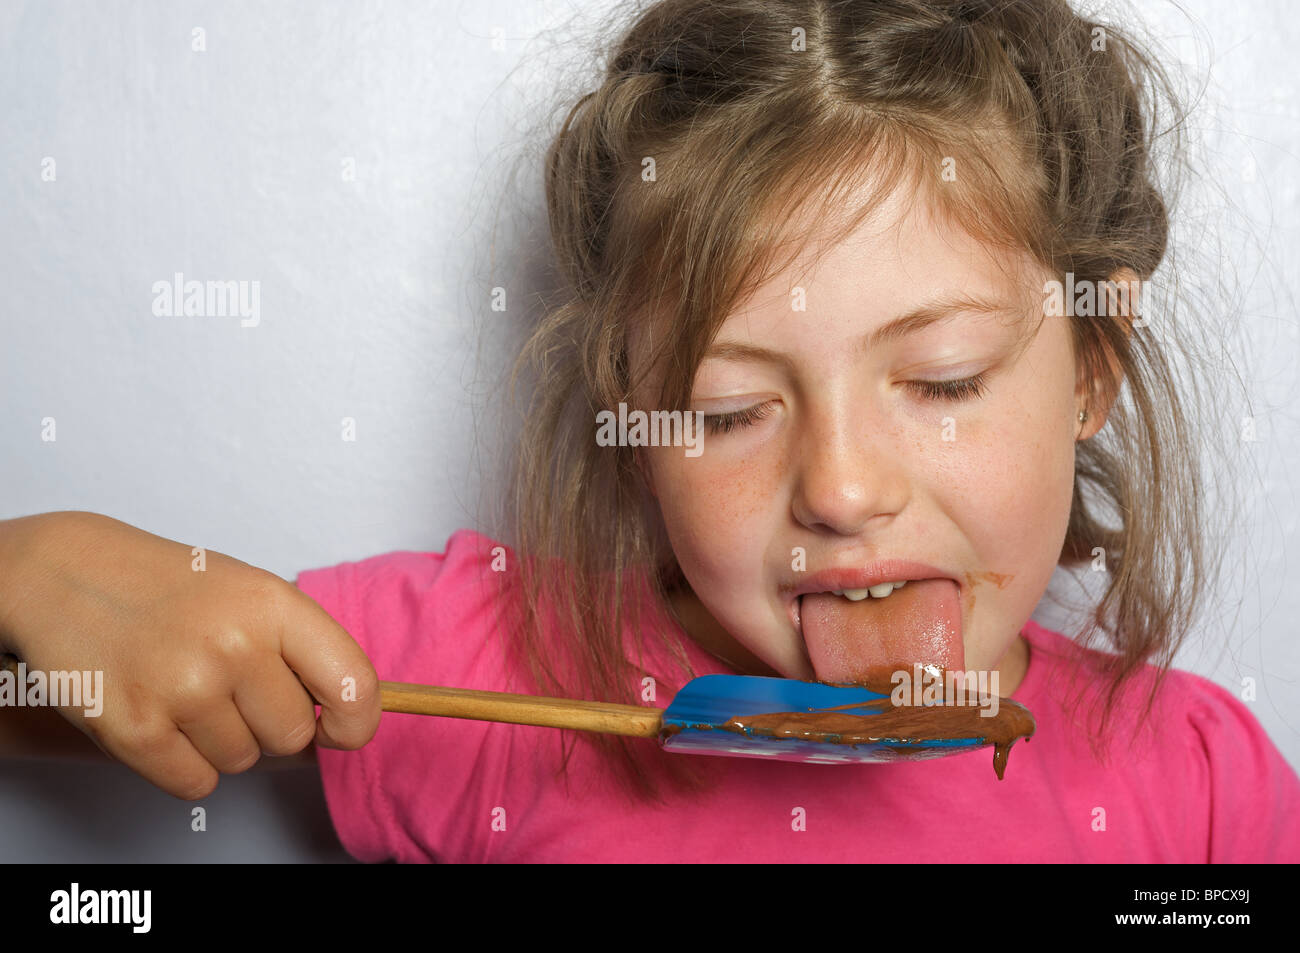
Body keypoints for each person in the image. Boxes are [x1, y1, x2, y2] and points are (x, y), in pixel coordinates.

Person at [2, 0, 1297, 862]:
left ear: (1091, 367)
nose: (840, 485)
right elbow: (96, 690)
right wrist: (31, 578)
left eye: (944, 378)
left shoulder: (1194, 788)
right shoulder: (494, 676)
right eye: (728, 408)